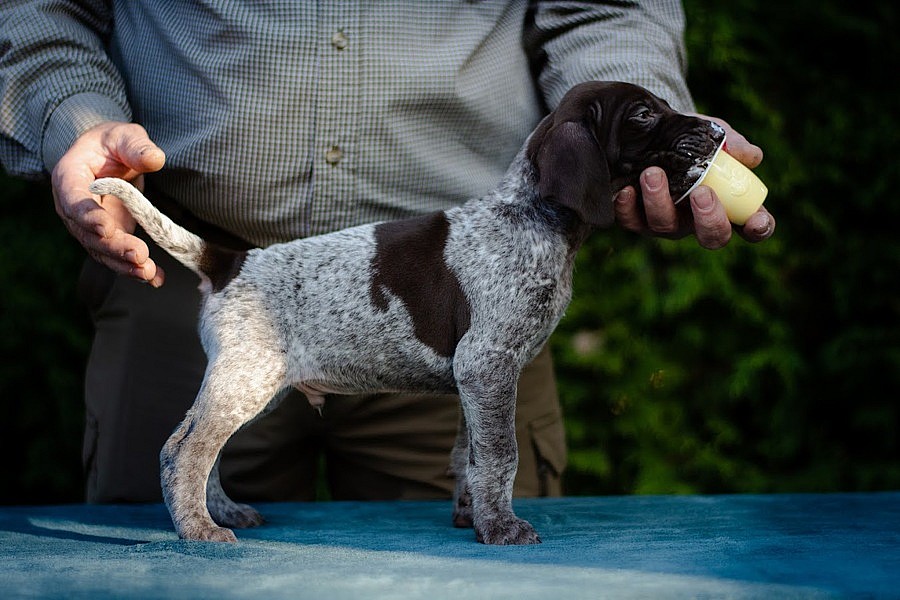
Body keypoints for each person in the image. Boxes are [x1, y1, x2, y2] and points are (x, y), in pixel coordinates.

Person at [0, 2, 774, 505]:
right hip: (198, 280)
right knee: (153, 575)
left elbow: (605, 9)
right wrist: (76, 118)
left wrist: (637, 129)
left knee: (483, 587)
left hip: (465, 290)